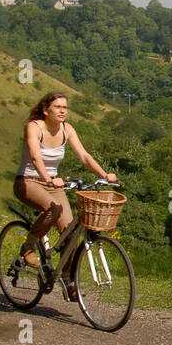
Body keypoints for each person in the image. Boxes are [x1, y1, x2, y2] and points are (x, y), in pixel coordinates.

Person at [13, 92, 116, 299]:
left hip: (54, 184)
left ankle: (68, 281)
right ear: (45, 110)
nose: (62, 111)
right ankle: (29, 246)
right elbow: (34, 156)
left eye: (65, 108)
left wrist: (104, 174)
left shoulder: (67, 129)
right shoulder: (34, 127)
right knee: (52, 208)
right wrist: (48, 179)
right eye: (58, 107)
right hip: (28, 181)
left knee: (69, 231)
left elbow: (84, 156)